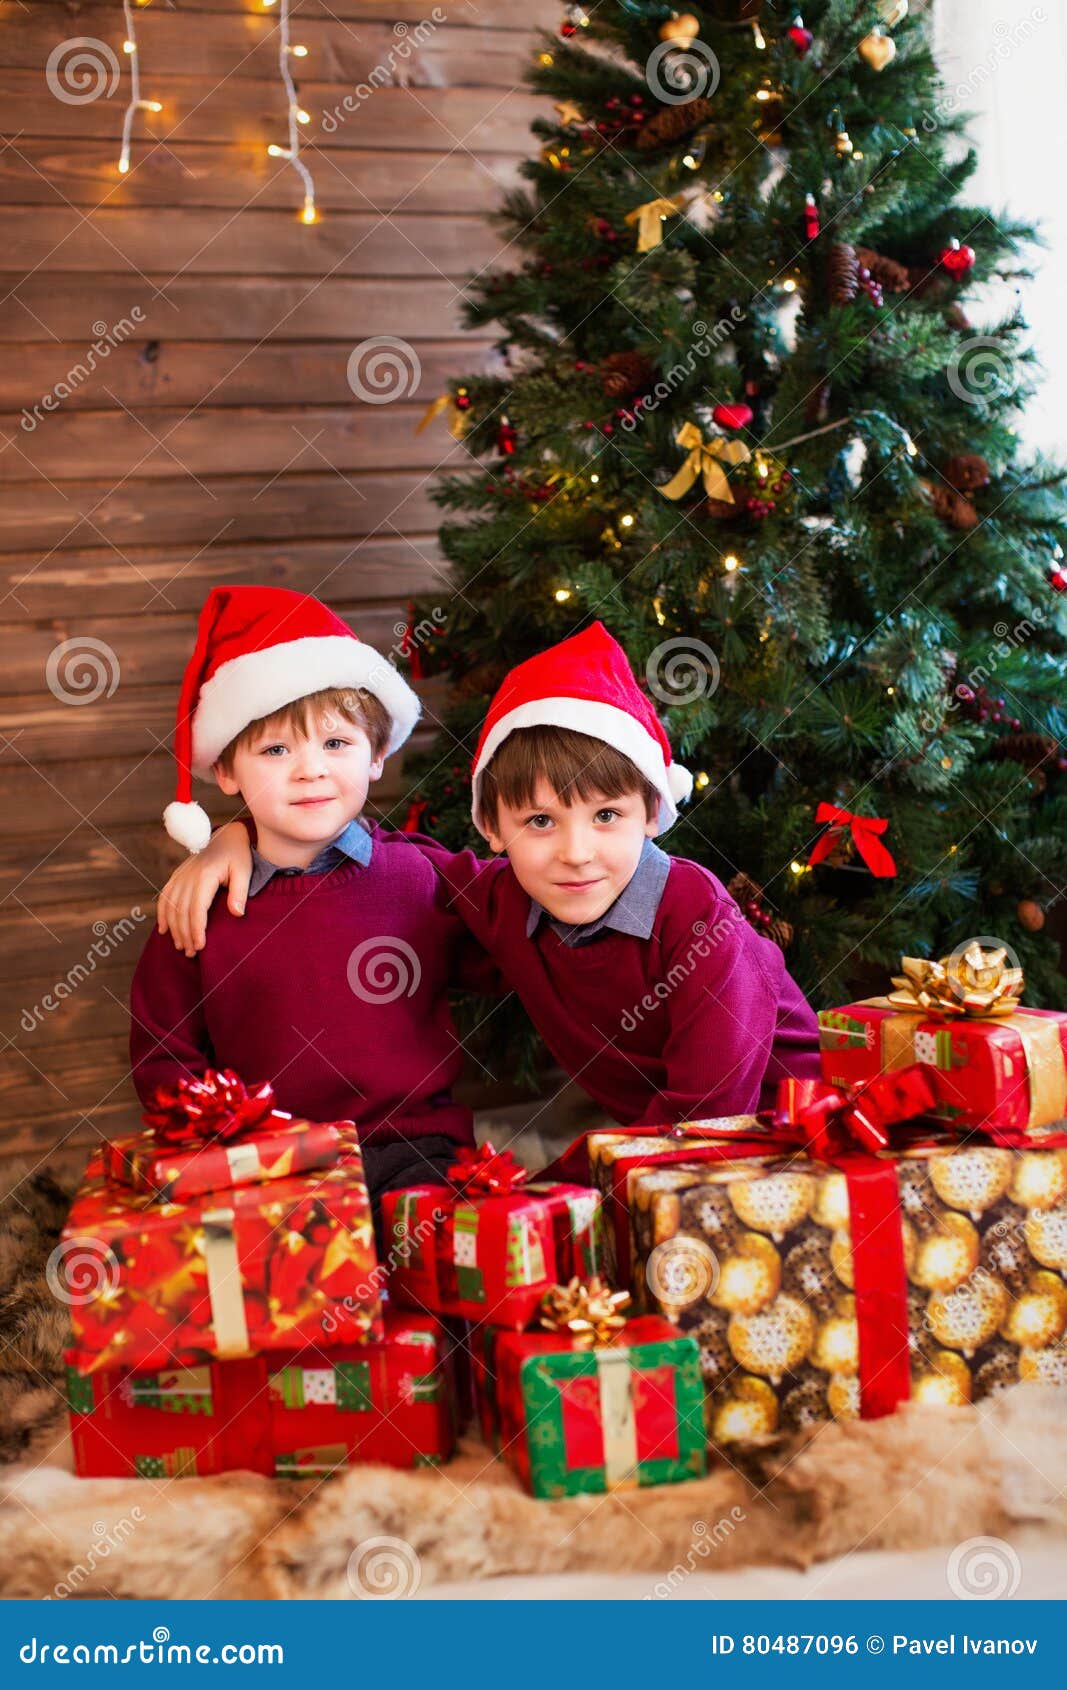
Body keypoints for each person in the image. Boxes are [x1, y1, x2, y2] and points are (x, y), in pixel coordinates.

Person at [155, 621, 821, 1127]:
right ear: (493, 830)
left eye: (607, 816)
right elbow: (387, 861)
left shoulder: (695, 915)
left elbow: (708, 1113)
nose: (575, 852)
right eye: (538, 822)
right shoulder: (502, 900)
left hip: (782, 1133)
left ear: (653, 813)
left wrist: (573, 1187)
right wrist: (232, 836)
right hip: (657, 1151)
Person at [129, 584, 499, 1227]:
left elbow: (524, 938)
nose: (310, 771)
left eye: (336, 744)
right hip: (274, 1163)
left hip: (416, 1148)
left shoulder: (421, 878)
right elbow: (165, 1052)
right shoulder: (202, 907)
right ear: (227, 771)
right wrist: (215, 1147)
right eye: (276, 751)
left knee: (447, 1277)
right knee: (287, 1303)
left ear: (377, 754)